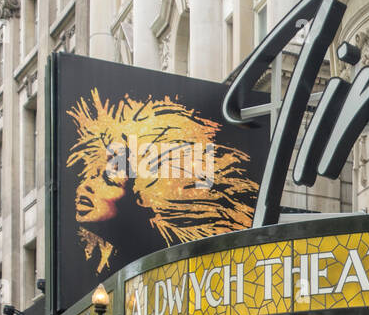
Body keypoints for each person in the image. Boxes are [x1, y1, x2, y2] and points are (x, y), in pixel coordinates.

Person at [65, 92, 258, 275]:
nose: (87, 185)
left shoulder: (189, 261)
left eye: (108, 179)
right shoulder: (106, 267)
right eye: (94, 175)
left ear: (144, 196)